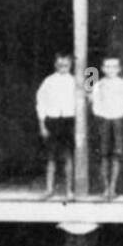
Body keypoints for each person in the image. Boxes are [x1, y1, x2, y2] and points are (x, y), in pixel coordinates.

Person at [35, 52, 76, 198]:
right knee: (51, 157)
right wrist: (42, 125)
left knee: (68, 156)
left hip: (69, 120)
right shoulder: (48, 81)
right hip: (52, 121)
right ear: (55, 65)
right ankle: (49, 189)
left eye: (66, 64)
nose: (63, 67)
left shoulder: (76, 81)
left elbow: (91, 82)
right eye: (60, 64)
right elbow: (41, 103)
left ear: (71, 65)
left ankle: (69, 191)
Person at [91, 54, 123, 198]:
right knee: (104, 155)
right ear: (102, 68)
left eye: (114, 66)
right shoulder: (97, 84)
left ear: (119, 69)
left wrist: (121, 114)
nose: (110, 69)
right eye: (107, 66)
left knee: (116, 155)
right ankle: (105, 187)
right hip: (103, 120)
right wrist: (100, 115)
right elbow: (94, 102)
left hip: (118, 120)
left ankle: (113, 187)